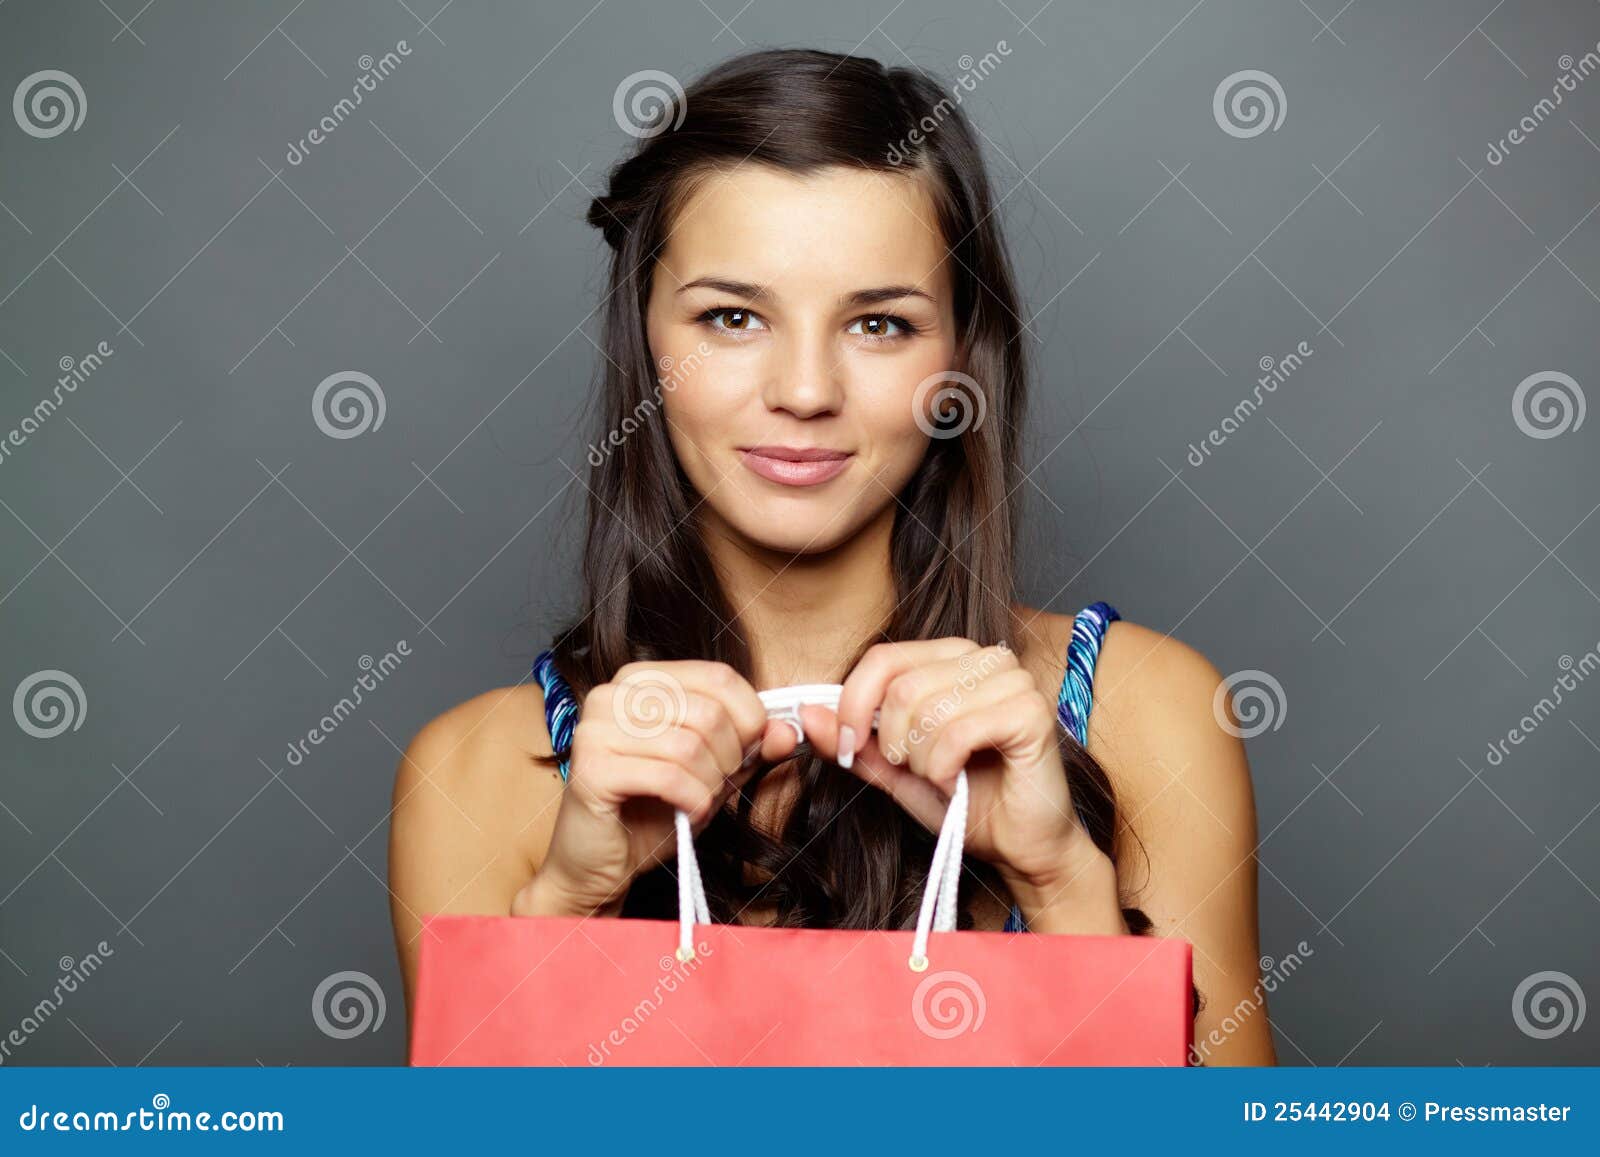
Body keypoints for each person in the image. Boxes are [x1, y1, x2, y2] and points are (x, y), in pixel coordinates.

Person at [388, 47, 1275, 1065]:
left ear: (957, 360)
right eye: (731, 316)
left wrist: (1061, 881)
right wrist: (564, 903)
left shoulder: (1148, 712)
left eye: (879, 323)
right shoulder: (474, 773)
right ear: (646, 343)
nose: (804, 389)